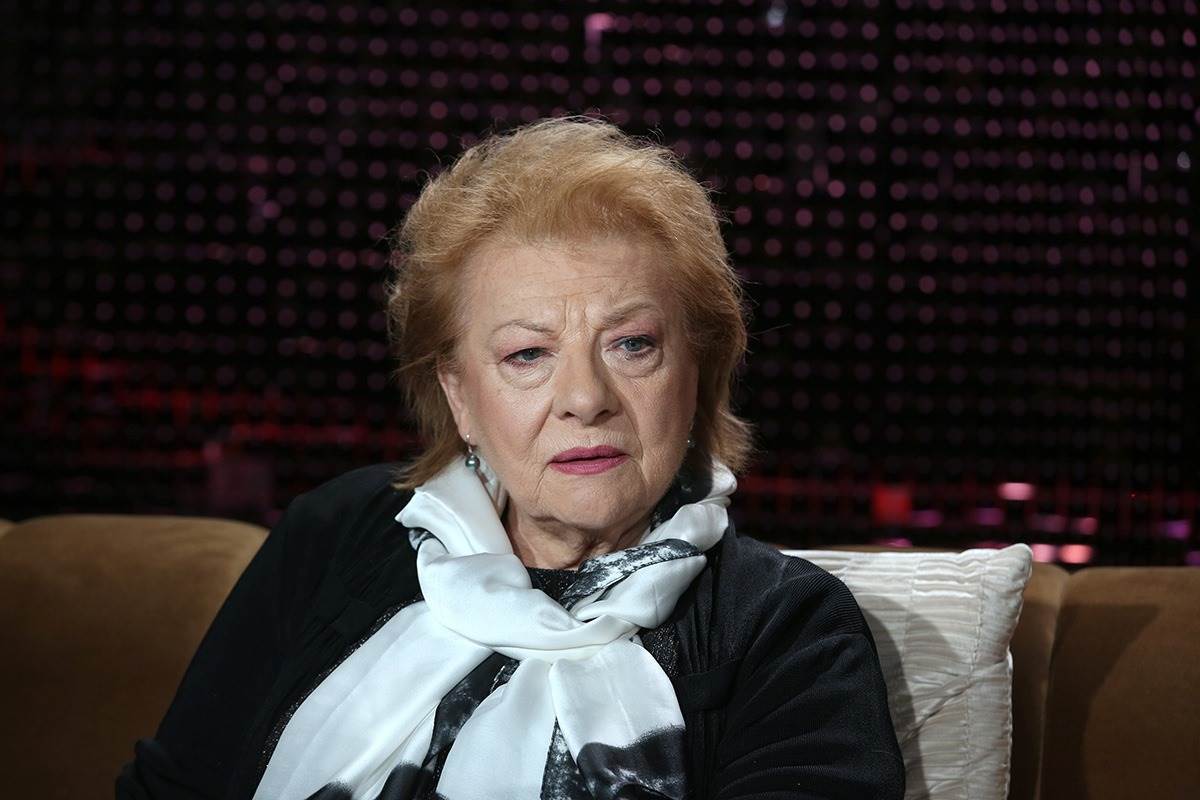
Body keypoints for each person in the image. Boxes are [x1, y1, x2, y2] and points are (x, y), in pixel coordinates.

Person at [117, 116, 904, 800]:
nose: (585, 398)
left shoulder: (785, 629)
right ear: (459, 396)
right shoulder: (337, 532)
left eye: (632, 344)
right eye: (528, 354)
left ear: (697, 371)